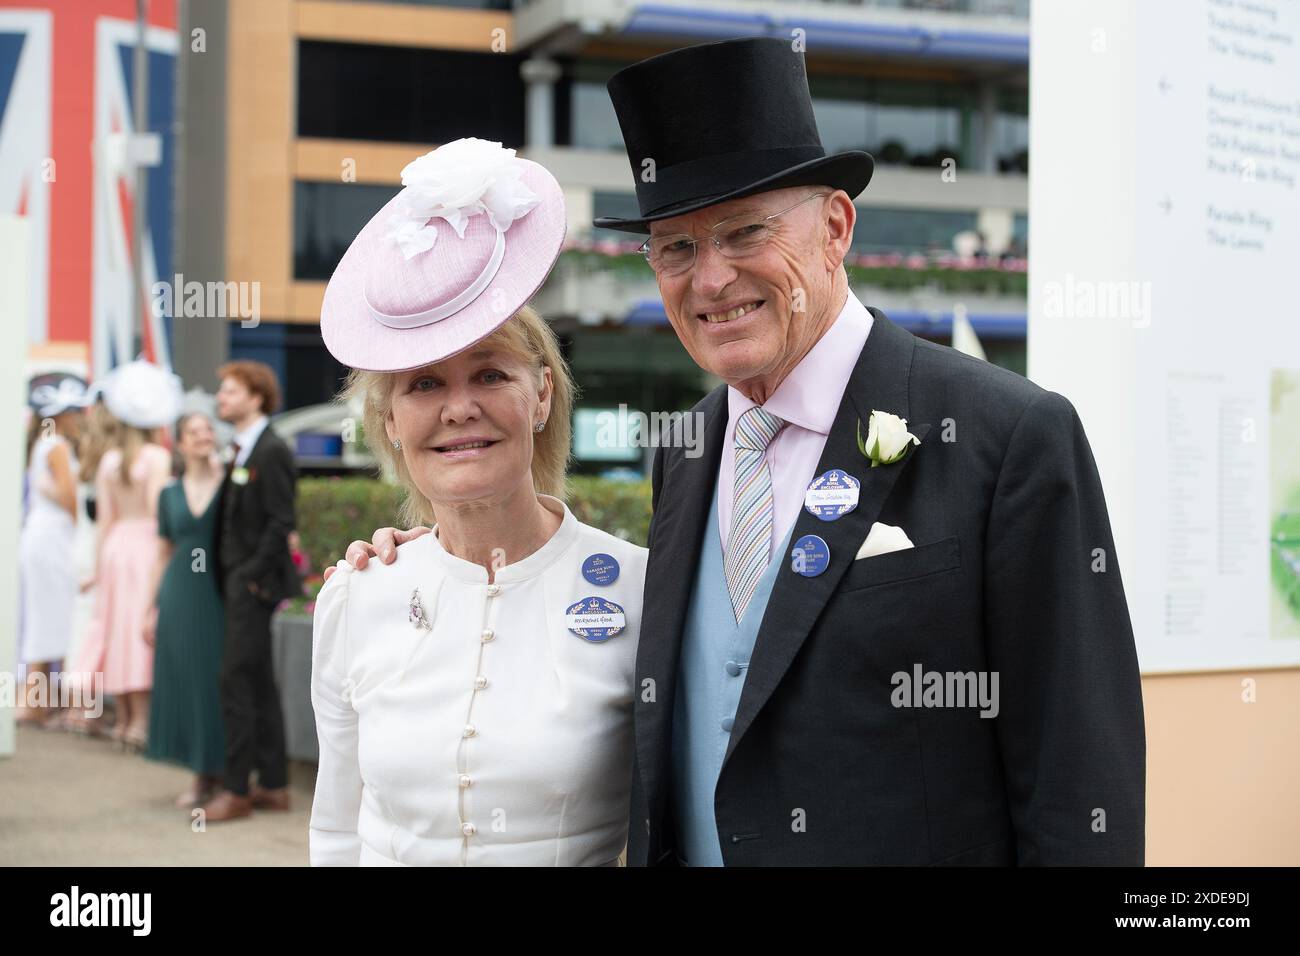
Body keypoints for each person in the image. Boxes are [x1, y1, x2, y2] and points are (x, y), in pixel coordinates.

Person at [336, 39, 1146, 866]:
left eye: (743, 232)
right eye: (676, 248)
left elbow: (1079, 780)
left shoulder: (1008, 436)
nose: (711, 279)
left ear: (835, 227)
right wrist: (430, 563)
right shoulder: (683, 451)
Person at [309, 137, 647, 866]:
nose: (459, 408)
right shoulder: (356, 597)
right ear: (391, 423)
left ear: (541, 396)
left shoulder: (643, 590)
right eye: (424, 384)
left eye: (490, 375)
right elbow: (335, 830)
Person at [198, 361, 301, 822]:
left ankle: (237, 790)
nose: (221, 399)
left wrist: (250, 576)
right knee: (258, 682)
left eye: (230, 392)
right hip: (238, 582)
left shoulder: (271, 449)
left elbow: (282, 520)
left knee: (235, 682)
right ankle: (275, 786)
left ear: (256, 398)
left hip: (251, 585)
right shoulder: (241, 448)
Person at [72, 361, 181, 752]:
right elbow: (159, 512)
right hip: (145, 549)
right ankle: (141, 723)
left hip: (117, 548)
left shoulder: (109, 461)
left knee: (116, 630)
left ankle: (125, 720)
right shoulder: (156, 458)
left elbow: (103, 522)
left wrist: (98, 568)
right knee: (142, 631)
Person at [144, 411, 228, 807]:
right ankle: (198, 775)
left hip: (217, 589)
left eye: (208, 429)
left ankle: (223, 772)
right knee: (187, 679)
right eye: (193, 432)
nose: (203, 436)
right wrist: (149, 608)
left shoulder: (229, 482)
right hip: (180, 589)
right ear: (179, 443)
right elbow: (162, 552)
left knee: (214, 678)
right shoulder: (168, 493)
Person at [16, 375, 93, 727]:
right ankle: (38, 703)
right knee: (52, 617)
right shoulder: (57, 446)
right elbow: (68, 497)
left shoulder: (42, 444)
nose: (80, 416)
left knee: (44, 616)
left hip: (40, 537)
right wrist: (82, 533)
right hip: (53, 539)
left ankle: (42, 702)